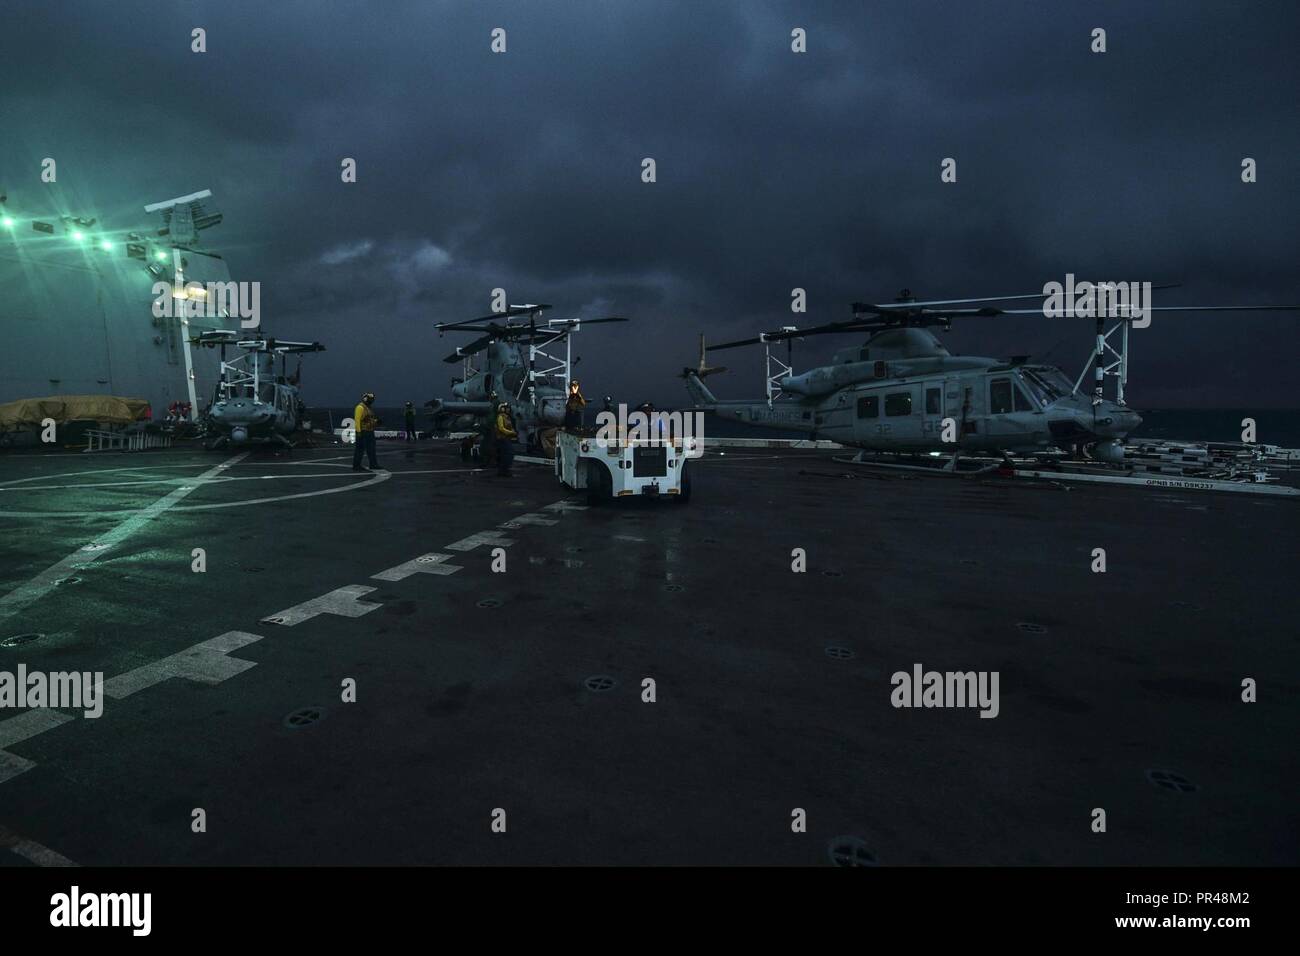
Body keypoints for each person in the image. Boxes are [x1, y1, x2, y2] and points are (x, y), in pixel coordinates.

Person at [352, 391, 380, 471]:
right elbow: (357, 420)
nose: (371, 401)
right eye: (370, 399)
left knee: (371, 449)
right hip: (363, 431)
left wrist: (376, 422)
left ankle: (373, 464)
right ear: (365, 399)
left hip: (370, 431)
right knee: (360, 449)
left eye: (372, 399)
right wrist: (359, 432)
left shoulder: (368, 408)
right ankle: (356, 465)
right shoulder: (360, 407)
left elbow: (369, 419)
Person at [494, 402, 517, 477]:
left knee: (507, 454)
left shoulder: (507, 417)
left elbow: (509, 426)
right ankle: (503, 471)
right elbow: (501, 428)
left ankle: (504, 470)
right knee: (507, 454)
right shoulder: (500, 417)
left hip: (507, 438)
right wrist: (511, 432)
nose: (508, 409)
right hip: (502, 439)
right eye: (506, 408)